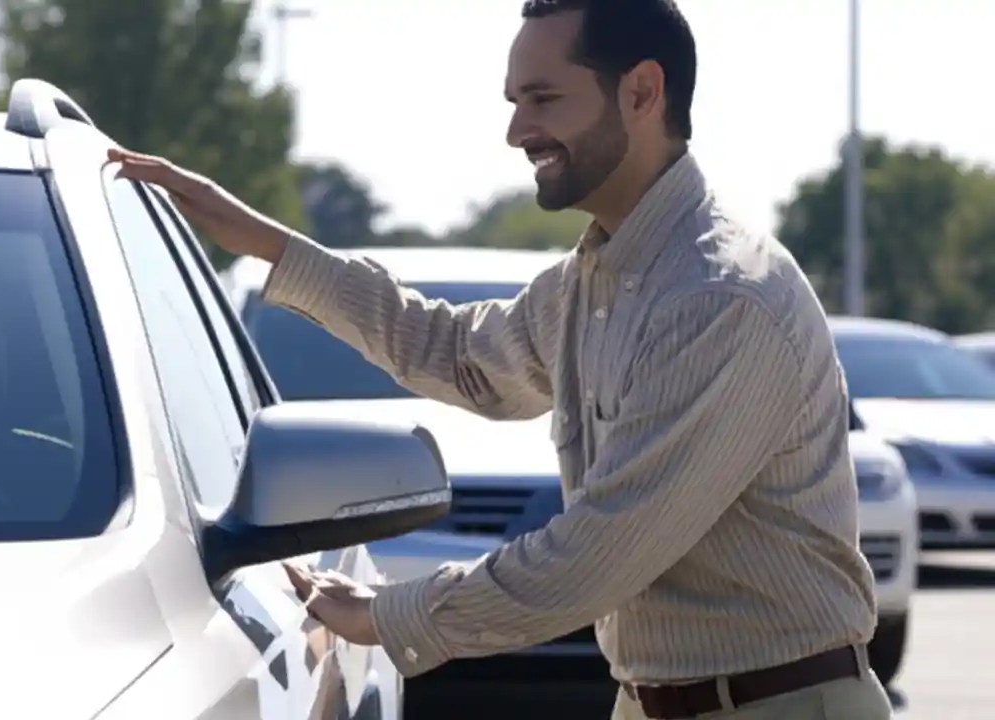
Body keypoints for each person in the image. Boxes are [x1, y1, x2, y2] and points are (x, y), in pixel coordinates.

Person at [109, 0, 895, 717]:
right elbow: (458, 355)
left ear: (643, 92)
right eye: (516, 104)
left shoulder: (718, 300)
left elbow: (595, 557)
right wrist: (267, 243)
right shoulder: (596, 281)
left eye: (545, 99)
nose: (518, 132)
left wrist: (387, 616)